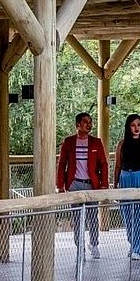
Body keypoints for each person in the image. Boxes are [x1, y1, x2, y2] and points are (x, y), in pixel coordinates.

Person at [55, 111, 109, 259]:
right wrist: (60, 186)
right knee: (78, 218)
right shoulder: (69, 142)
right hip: (75, 184)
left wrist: (104, 184)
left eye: (90, 122)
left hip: (92, 184)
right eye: (85, 122)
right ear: (77, 124)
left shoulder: (96, 142)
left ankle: (94, 244)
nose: (89, 124)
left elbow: (103, 164)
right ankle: (80, 249)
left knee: (92, 217)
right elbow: (62, 165)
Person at [113, 113, 140, 259]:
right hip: (125, 179)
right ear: (128, 127)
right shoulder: (122, 144)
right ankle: (133, 244)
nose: (136, 128)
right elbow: (117, 166)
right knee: (127, 214)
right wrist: (115, 185)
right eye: (133, 125)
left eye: (139, 125)